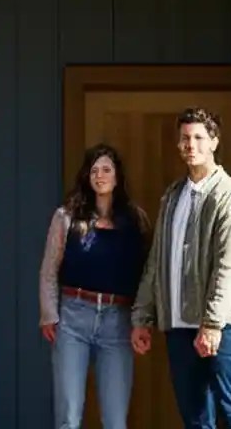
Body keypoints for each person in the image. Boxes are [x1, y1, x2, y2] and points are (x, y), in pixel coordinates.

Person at [130, 107, 231, 429]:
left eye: (199, 137)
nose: (191, 145)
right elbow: (157, 261)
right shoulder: (173, 196)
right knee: (196, 417)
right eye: (185, 138)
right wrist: (143, 317)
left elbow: (228, 266)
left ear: (214, 141)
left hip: (222, 326)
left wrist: (212, 324)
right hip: (179, 325)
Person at [39, 143, 150, 429]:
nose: (100, 176)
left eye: (107, 170)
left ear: (117, 176)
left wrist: (142, 320)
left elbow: (145, 275)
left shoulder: (135, 220)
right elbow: (50, 269)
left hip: (118, 321)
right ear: (86, 176)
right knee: (68, 417)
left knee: (115, 420)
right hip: (74, 317)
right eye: (94, 170)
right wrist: (49, 313)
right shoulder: (67, 217)